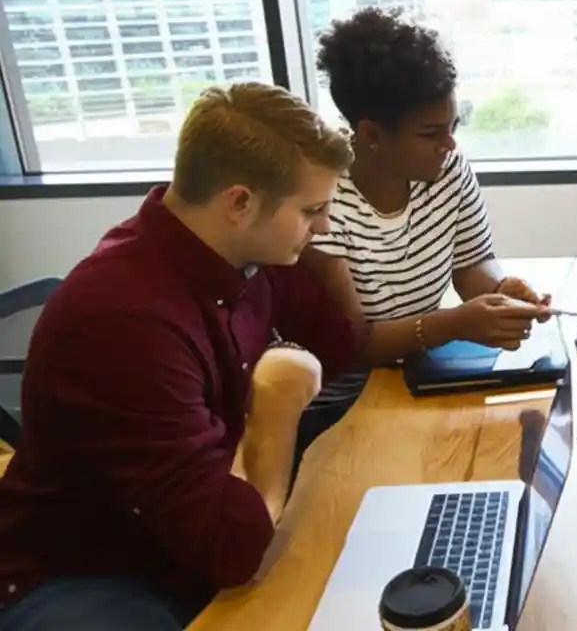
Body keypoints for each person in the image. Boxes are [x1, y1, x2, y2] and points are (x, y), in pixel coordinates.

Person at [0, 83, 360, 630]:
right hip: (85, 574)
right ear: (239, 203)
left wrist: (318, 258)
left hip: (190, 531)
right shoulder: (121, 322)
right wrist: (277, 404)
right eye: (313, 209)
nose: (326, 225)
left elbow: (337, 347)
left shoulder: (241, 253)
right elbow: (231, 550)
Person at [294, 7, 549, 462]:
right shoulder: (322, 197)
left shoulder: (446, 168)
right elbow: (357, 345)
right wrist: (457, 323)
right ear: (371, 135)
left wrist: (498, 290)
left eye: (453, 126)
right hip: (343, 407)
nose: (449, 144)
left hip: (420, 379)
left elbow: (471, 261)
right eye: (431, 133)